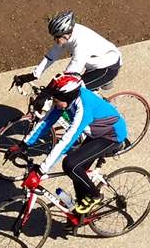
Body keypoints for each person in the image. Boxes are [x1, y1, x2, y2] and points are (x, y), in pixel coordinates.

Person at [19, 73, 127, 218]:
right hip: (96, 133)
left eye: (55, 99)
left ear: (68, 97)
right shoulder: (66, 100)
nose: (53, 101)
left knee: (70, 164)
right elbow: (46, 122)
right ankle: (81, 215)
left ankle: (95, 195)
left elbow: (66, 140)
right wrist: (24, 144)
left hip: (111, 136)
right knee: (77, 169)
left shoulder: (83, 108)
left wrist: (41, 171)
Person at [12, 11, 122, 93]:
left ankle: (100, 117)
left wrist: (49, 91)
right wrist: (33, 75)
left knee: (73, 91)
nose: (54, 40)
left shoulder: (82, 44)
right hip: (93, 64)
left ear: (66, 34)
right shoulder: (67, 35)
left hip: (107, 67)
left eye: (56, 37)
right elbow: (52, 55)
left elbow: (71, 72)